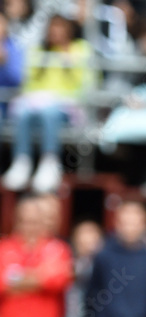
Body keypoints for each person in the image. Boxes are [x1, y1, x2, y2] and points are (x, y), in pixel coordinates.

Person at [2, 15, 92, 193]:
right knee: (23, 112)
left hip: (67, 107)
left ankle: (49, 161)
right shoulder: (38, 50)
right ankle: (22, 161)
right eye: (53, 27)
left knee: (49, 112)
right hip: (37, 102)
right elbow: (28, 84)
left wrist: (69, 63)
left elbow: (86, 85)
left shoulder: (81, 49)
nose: (55, 32)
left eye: (60, 28)